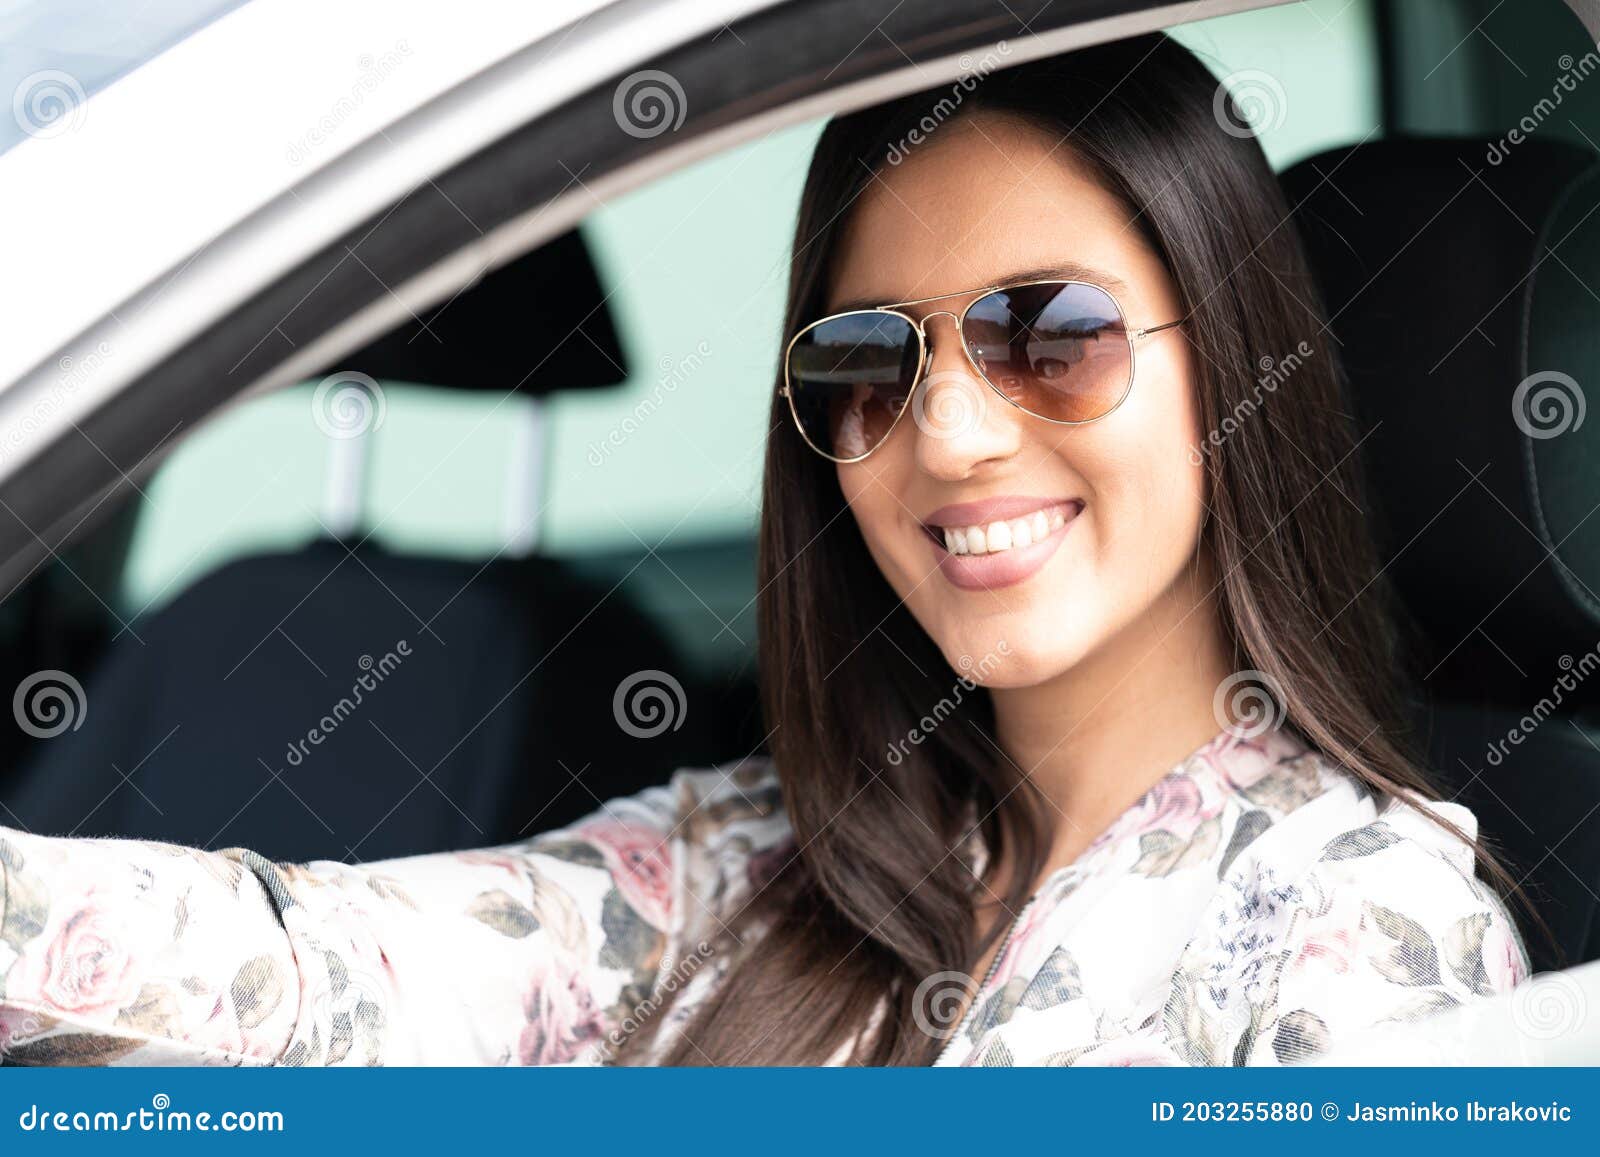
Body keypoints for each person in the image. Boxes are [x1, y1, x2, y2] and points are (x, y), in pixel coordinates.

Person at [0, 34, 1528, 1068]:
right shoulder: (753, 862)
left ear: (1232, 360)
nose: (950, 435)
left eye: (1049, 334)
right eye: (866, 363)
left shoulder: (1362, 934)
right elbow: (321, 970)